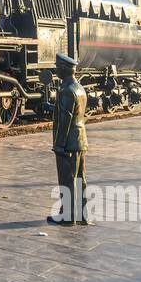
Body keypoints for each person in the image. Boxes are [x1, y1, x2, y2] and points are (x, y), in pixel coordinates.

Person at [47, 53, 93, 226]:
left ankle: (66, 217)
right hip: (80, 140)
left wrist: (59, 145)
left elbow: (65, 121)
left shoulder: (66, 90)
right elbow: (75, 113)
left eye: (58, 67)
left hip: (68, 143)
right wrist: (52, 107)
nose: (56, 69)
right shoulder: (79, 88)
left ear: (65, 69)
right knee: (81, 180)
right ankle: (82, 215)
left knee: (67, 180)